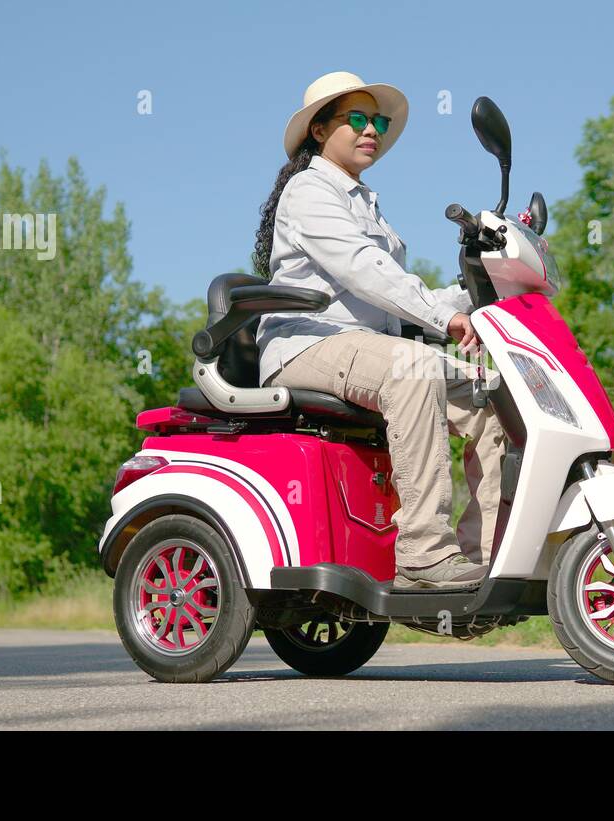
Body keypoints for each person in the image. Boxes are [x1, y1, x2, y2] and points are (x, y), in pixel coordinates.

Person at [252, 71, 506, 589]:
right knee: (414, 368)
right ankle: (424, 555)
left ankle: (484, 561)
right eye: (358, 119)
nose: (372, 130)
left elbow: (397, 297)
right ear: (319, 131)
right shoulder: (309, 191)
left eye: (379, 122)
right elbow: (365, 270)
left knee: (492, 397)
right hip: (307, 344)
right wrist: (444, 319)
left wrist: (477, 291)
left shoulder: (364, 200)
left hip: (366, 347)